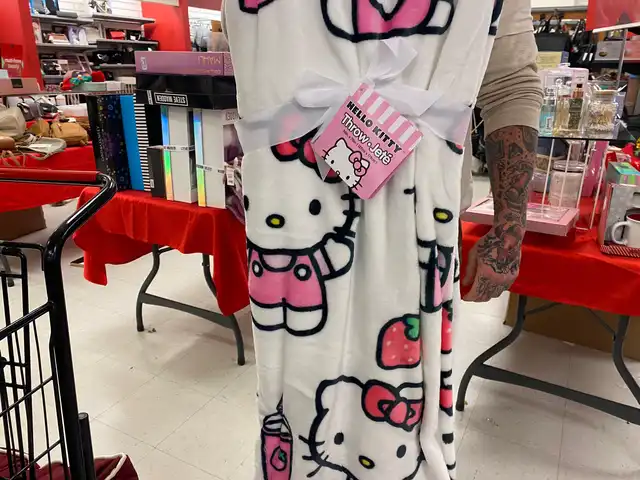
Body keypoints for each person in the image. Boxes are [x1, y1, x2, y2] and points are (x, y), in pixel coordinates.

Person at [223, 1, 542, 478]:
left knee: (399, 402)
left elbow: (512, 81)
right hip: (293, 223)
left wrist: (510, 226)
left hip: (412, 220)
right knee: (299, 390)